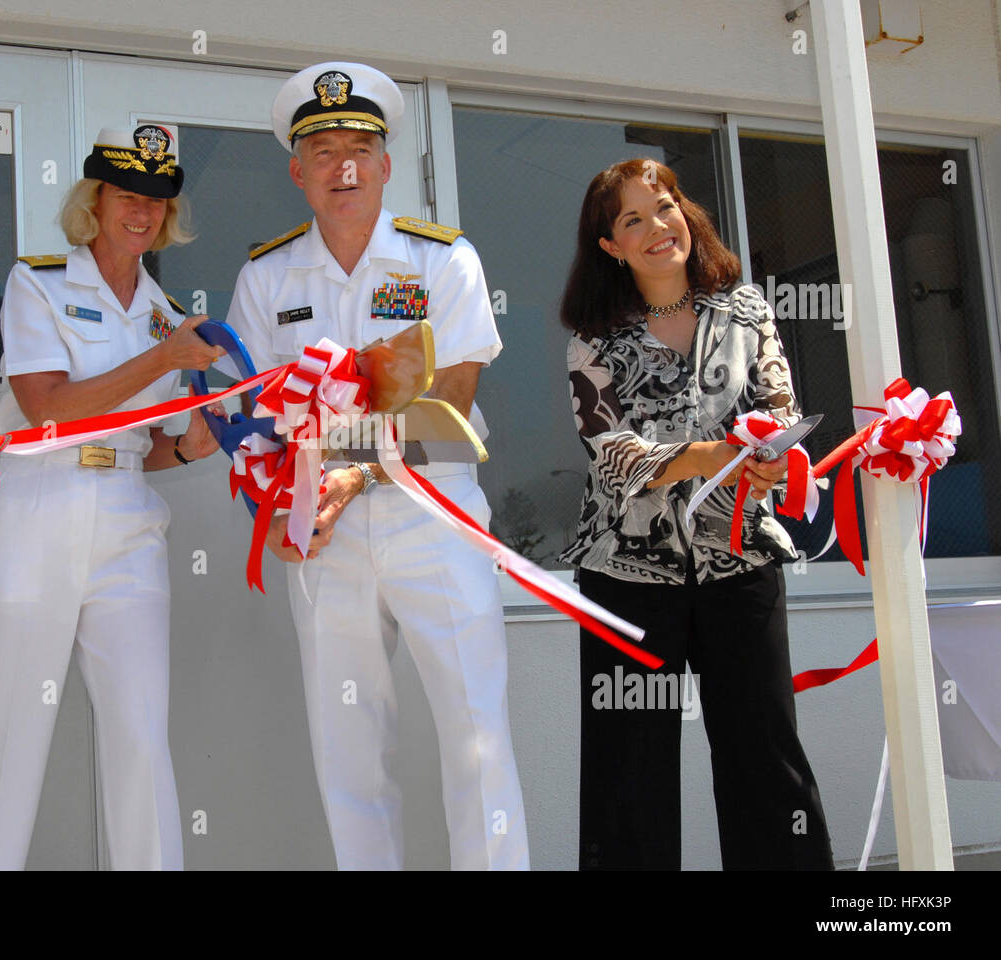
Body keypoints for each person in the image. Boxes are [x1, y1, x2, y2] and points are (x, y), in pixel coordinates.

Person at [226, 62, 529, 870]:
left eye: (361, 146)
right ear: (298, 172)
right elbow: (252, 416)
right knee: (349, 746)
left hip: (435, 513)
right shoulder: (264, 277)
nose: (345, 166)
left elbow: (453, 395)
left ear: (388, 165)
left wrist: (349, 471)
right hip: (325, 534)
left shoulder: (441, 260)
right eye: (323, 149)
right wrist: (275, 508)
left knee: (476, 735)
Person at [0, 125, 224, 870]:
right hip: (37, 508)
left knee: (140, 739)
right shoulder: (39, 281)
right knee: (2, 747)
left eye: (157, 200)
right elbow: (49, 409)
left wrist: (194, 443)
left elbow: (143, 445)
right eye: (127, 193)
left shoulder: (166, 311)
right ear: (92, 200)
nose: (142, 211)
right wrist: (163, 359)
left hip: (127, 519)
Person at [560, 157, 834, 870]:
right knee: (629, 776)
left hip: (741, 562)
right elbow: (612, 455)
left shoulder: (746, 311)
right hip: (625, 577)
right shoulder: (594, 342)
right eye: (631, 219)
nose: (657, 226)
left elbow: (781, 411)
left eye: (666, 206)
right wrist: (704, 455)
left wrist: (775, 455)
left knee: (765, 758)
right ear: (610, 246)